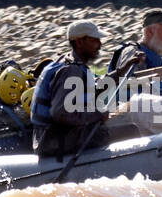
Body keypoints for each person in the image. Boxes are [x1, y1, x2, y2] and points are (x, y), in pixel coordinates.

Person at [31, 21, 112, 158]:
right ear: (79, 42)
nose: (99, 44)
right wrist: (97, 114)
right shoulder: (70, 70)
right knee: (130, 129)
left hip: (52, 137)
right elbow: (61, 113)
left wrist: (122, 70)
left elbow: (90, 87)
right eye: (94, 40)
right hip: (55, 141)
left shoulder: (68, 62)